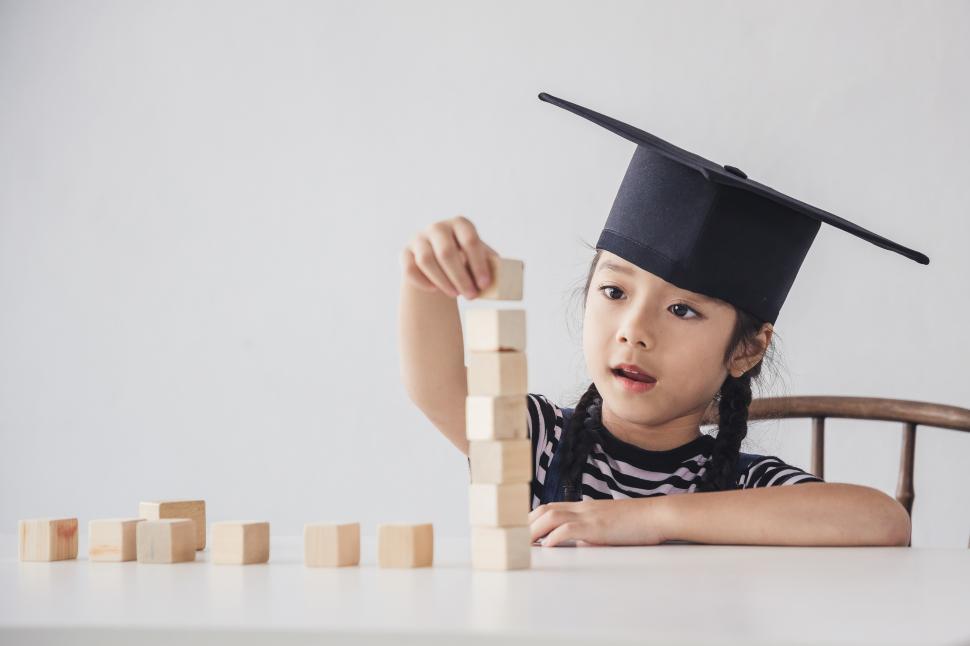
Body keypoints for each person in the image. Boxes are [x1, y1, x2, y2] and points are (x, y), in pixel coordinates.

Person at [398, 92, 927, 548]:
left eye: (682, 309)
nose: (635, 330)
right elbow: (436, 386)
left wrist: (648, 518)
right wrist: (427, 275)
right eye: (613, 291)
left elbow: (883, 520)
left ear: (746, 349)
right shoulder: (536, 441)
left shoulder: (747, 487)